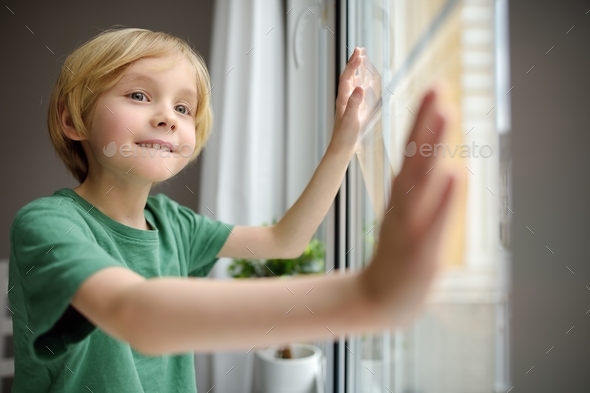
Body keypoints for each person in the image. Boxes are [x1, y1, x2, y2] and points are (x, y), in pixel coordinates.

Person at [8, 27, 459, 392]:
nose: (168, 116)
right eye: (139, 96)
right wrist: (367, 296)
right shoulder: (47, 225)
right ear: (74, 120)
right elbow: (136, 314)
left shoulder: (175, 225)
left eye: (183, 107)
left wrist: (345, 139)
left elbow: (286, 241)